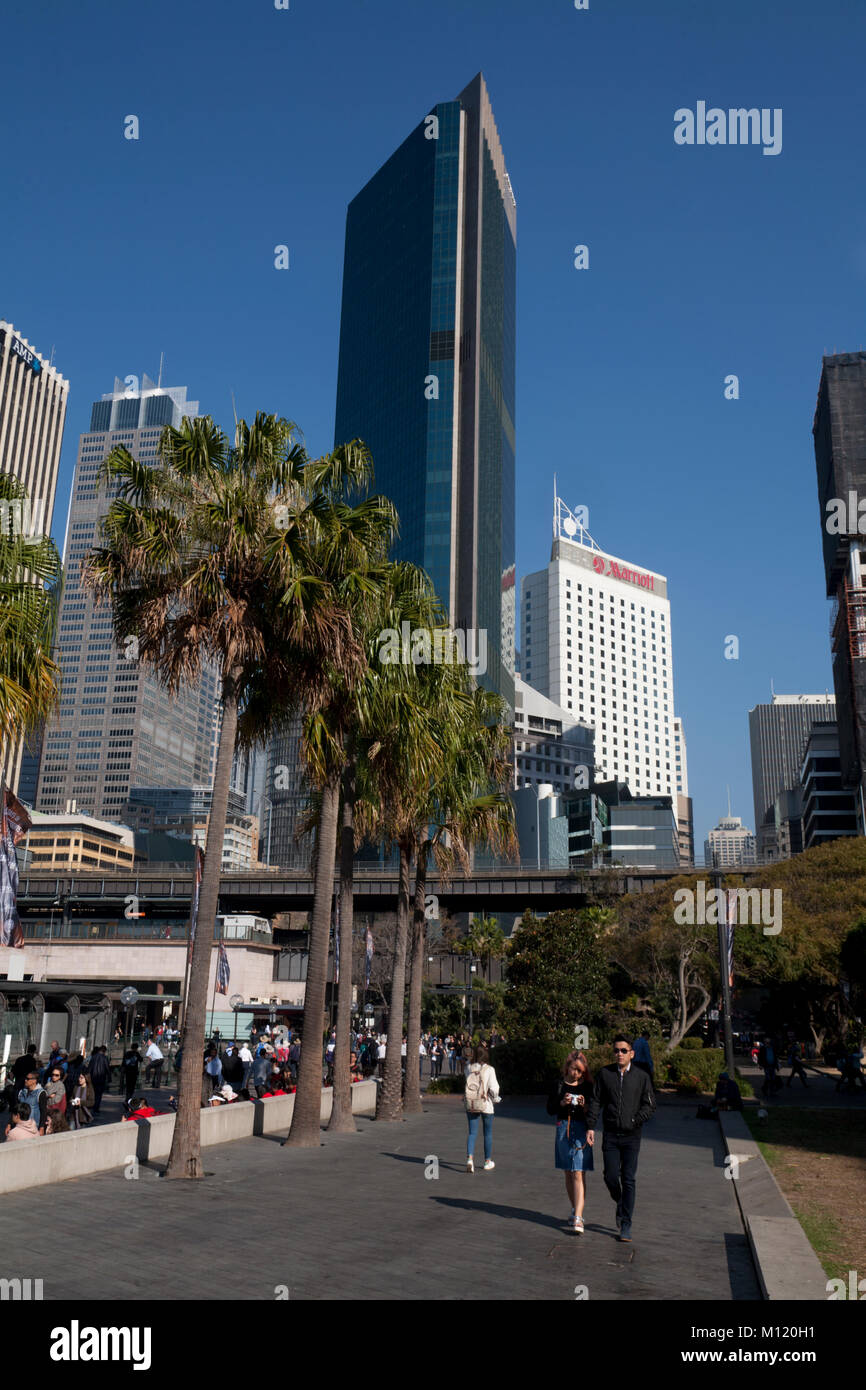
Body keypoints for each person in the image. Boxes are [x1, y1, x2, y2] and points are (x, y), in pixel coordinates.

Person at [585, 1036, 655, 1243]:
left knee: (628, 1178)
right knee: (610, 1176)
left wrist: (636, 1119)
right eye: (616, 1050)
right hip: (611, 1135)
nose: (619, 1054)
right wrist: (591, 1126)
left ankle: (626, 1223)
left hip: (632, 1136)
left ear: (632, 1053)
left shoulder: (641, 1077)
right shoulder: (605, 1074)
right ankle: (621, 1201)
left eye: (624, 1050)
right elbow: (596, 1100)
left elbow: (650, 1105)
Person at [547, 1050, 594, 1234]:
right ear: (567, 1067)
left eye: (580, 1071)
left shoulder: (588, 1087)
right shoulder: (558, 1085)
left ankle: (578, 1217)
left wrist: (585, 1105)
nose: (576, 1074)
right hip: (563, 1128)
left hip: (581, 1129)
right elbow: (550, 1109)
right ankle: (575, 1208)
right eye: (574, 1069)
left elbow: (594, 1111)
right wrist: (562, 1103)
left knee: (578, 1172)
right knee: (568, 1172)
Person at [464, 1045, 501, 1173]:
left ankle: (470, 1159)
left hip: (472, 1103)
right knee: (488, 1133)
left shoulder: (468, 1067)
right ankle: (487, 1161)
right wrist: (496, 1098)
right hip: (486, 1104)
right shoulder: (490, 1069)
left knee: (472, 1133)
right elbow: (494, 1089)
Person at [88, 1045, 111, 1113]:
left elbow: (90, 1068)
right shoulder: (105, 1058)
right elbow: (107, 1068)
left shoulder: (93, 1057)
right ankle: (96, 1107)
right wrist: (109, 1077)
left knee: (93, 1092)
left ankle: (92, 1105)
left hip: (93, 1078)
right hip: (101, 1078)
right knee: (99, 1094)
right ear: (104, 1051)